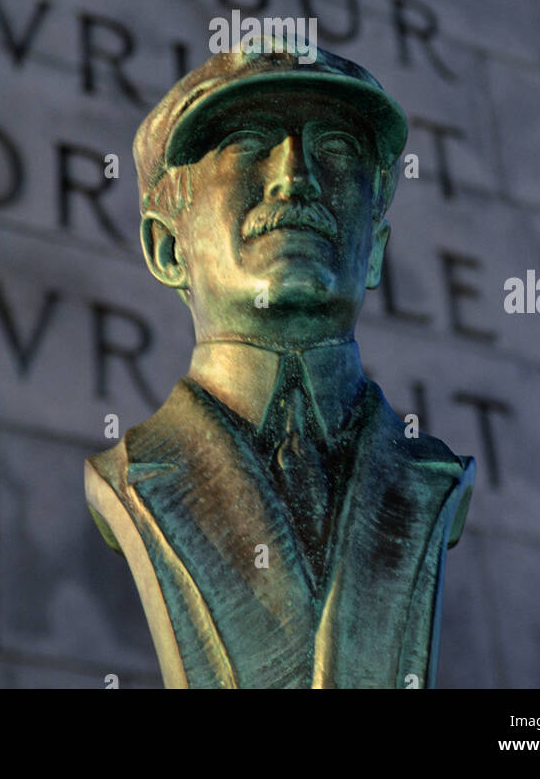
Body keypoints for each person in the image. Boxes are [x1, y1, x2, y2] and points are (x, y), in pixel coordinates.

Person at [85, 43, 474, 689]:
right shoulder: (134, 473)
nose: (296, 174)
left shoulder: (430, 475)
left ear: (375, 252)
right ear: (166, 246)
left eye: (338, 150)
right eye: (246, 140)